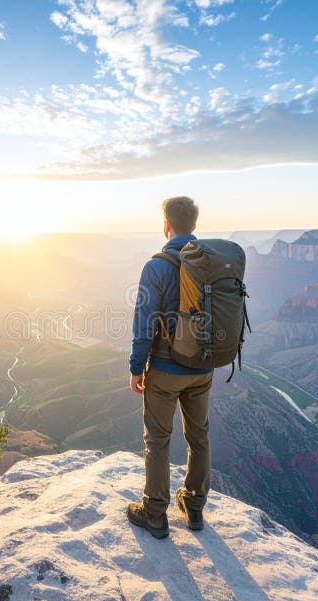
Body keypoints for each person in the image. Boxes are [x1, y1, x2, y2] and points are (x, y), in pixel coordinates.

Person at [126, 196, 214, 539]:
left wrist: (137, 366)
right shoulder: (210, 262)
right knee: (199, 436)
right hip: (203, 367)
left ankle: (154, 513)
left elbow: (143, 322)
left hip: (164, 369)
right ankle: (194, 506)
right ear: (194, 225)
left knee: (159, 440)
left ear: (166, 225)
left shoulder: (157, 266)